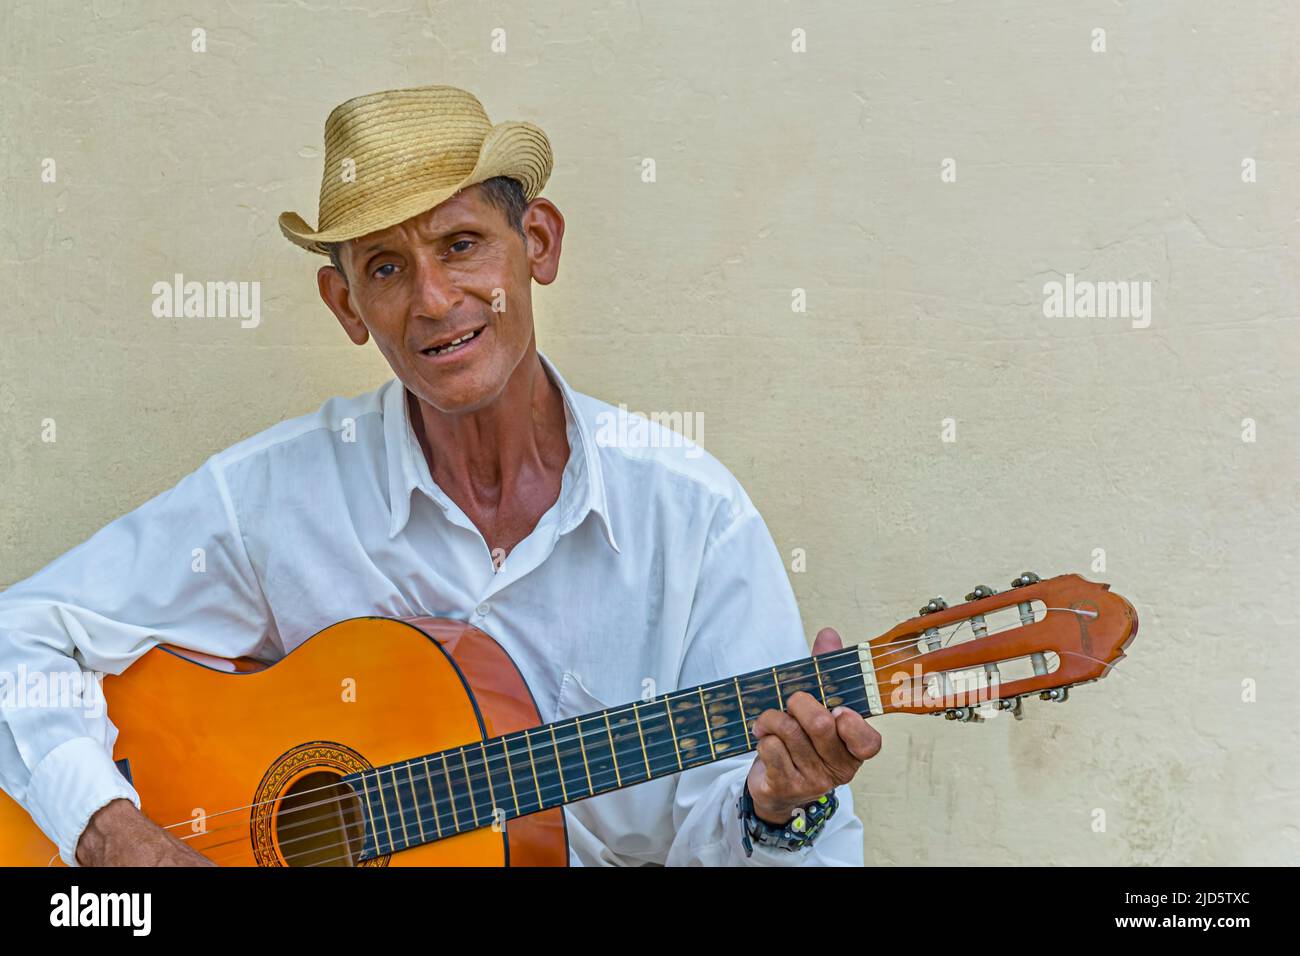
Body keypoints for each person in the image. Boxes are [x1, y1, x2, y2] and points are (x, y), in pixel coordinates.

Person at [0, 85, 879, 866]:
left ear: (537, 242)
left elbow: (771, 846)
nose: (431, 299)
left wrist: (778, 813)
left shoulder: (694, 519)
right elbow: (17, 641)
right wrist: (115, 832)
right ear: (345, 305)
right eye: (385, 267)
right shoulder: (276, 496)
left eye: (462, 245)